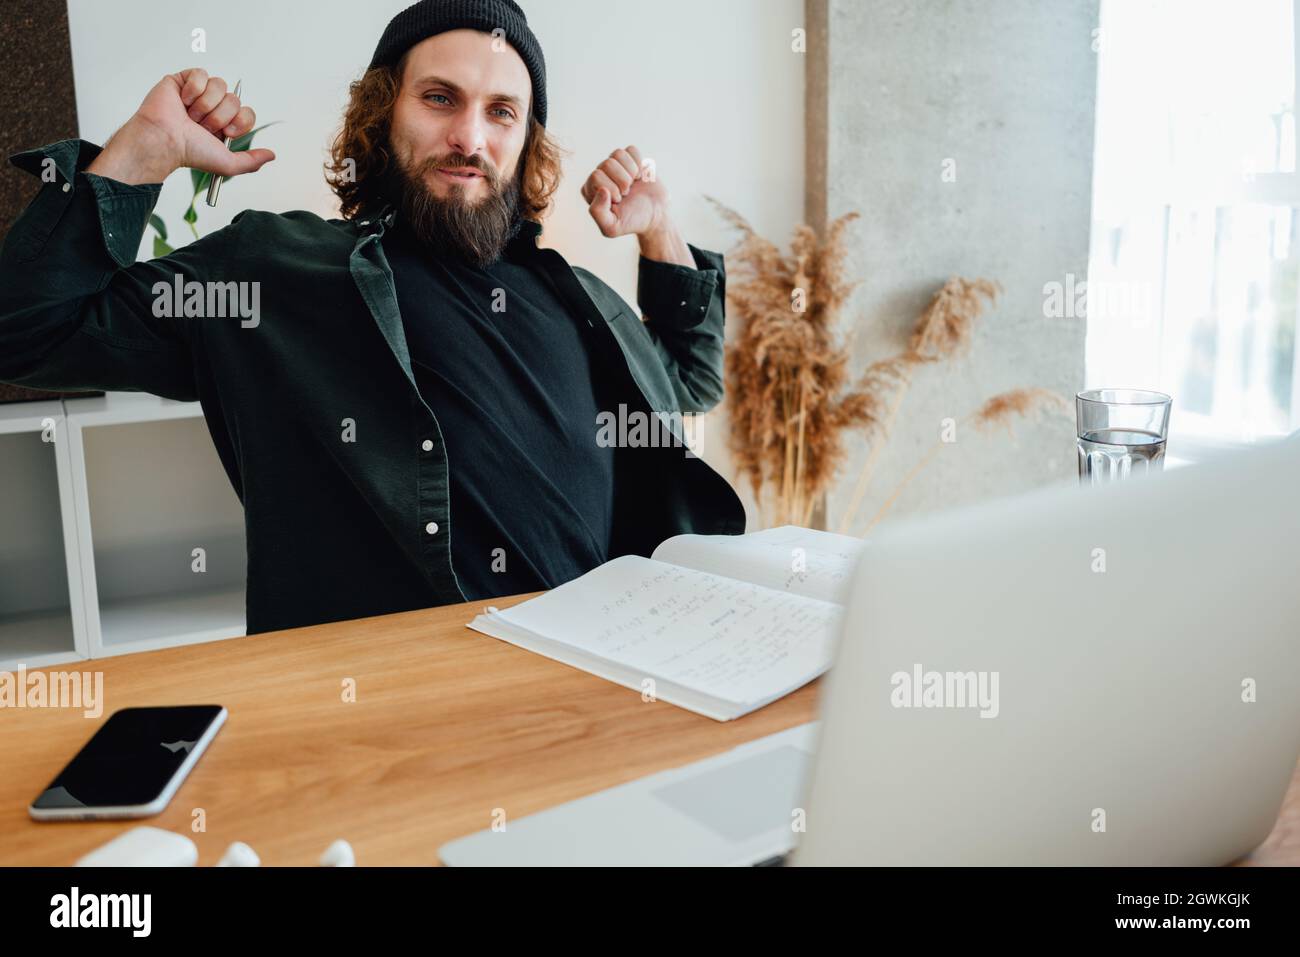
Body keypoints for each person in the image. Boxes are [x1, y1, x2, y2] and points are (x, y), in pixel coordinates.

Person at [0, 0, 744, 635]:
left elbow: (689, 380)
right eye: (440, 98)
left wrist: (660, 232)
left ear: (526, 142)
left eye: (501, 112)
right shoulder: (274, 274)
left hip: (604, 690)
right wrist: (143, 154)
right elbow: (28, 330)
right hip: (395, 726)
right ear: (383, 112)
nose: (470, 138)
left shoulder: (584, 302)